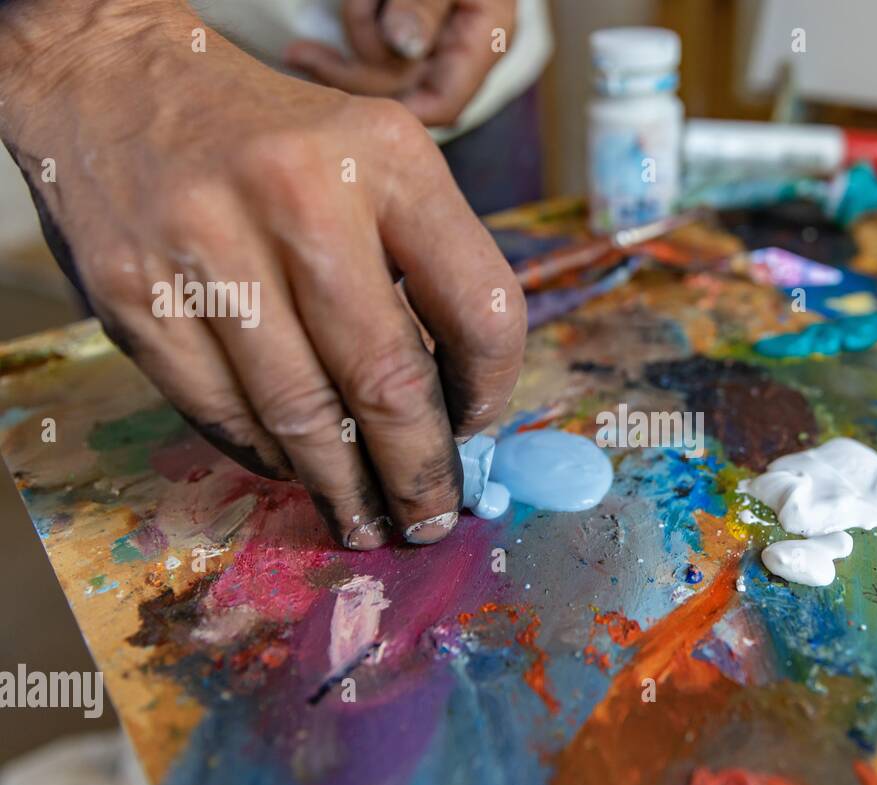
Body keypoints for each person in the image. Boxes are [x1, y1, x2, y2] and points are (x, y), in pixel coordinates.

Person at [0, 0, 545, 550]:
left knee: (451, 361)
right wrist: (81, 38)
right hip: (173, 142)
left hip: (481, 92)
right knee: (201, 439)